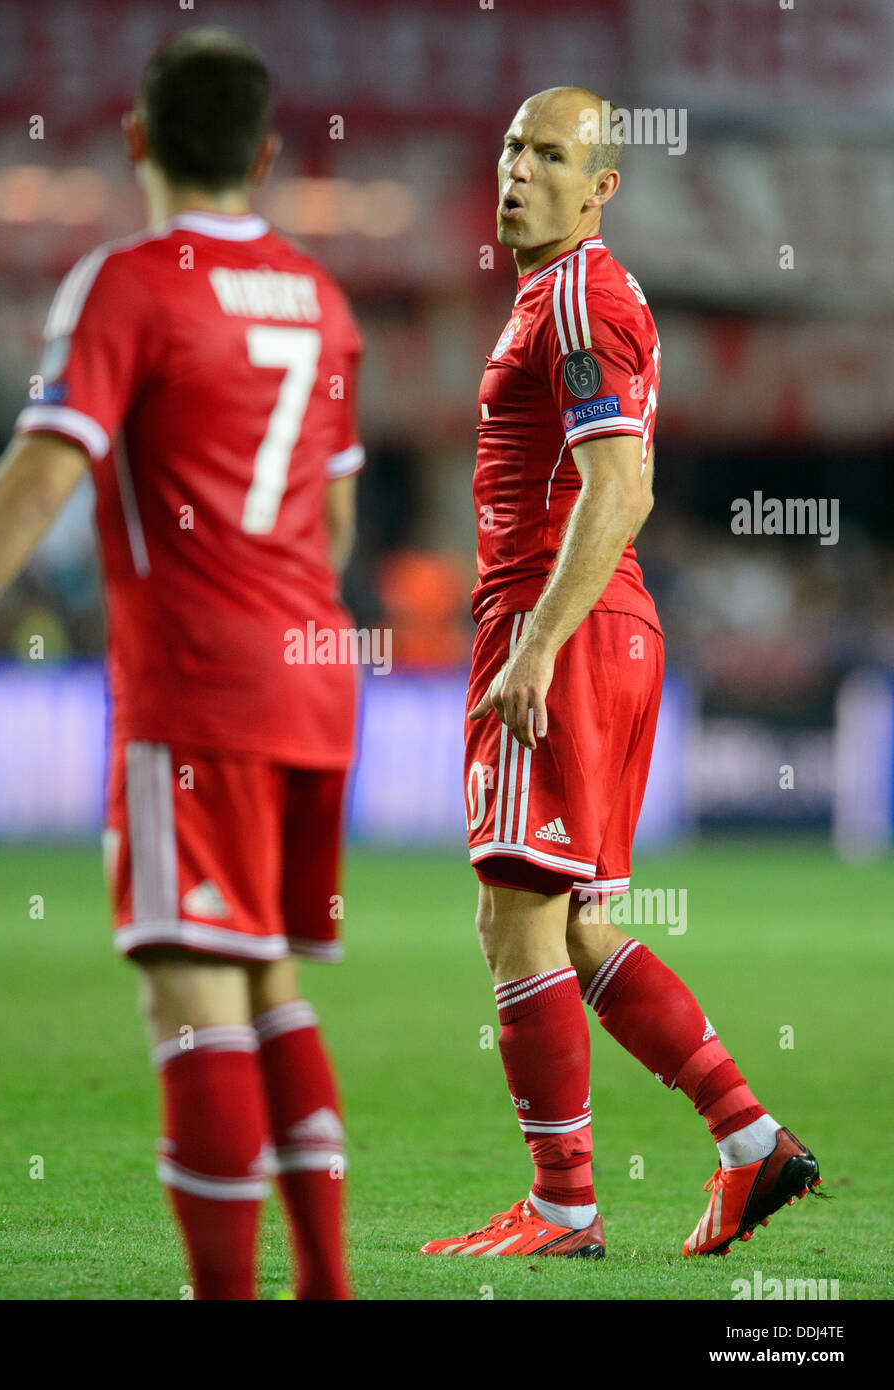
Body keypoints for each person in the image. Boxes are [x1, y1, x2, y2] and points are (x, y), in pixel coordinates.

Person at [0, 28, 363, 1300]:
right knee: (268, 982)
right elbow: (330, 524)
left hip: (201, 680)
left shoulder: (128, 282)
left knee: (186, 992)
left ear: (133, 142)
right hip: (317, 675)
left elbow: (36, 478)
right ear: (267, 156)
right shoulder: (321, 302)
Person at [419, 87, 821, 1260]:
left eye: (550, 155)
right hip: (603, 625)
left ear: (600, 187)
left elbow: (622, 483)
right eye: (508, 147)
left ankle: (561, 1209)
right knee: (579, 924)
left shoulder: (579, 293)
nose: (517, 171)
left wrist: (535, 642)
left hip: (562, 622)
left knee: (514, 918)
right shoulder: (556, 296)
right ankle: (749, 1143)